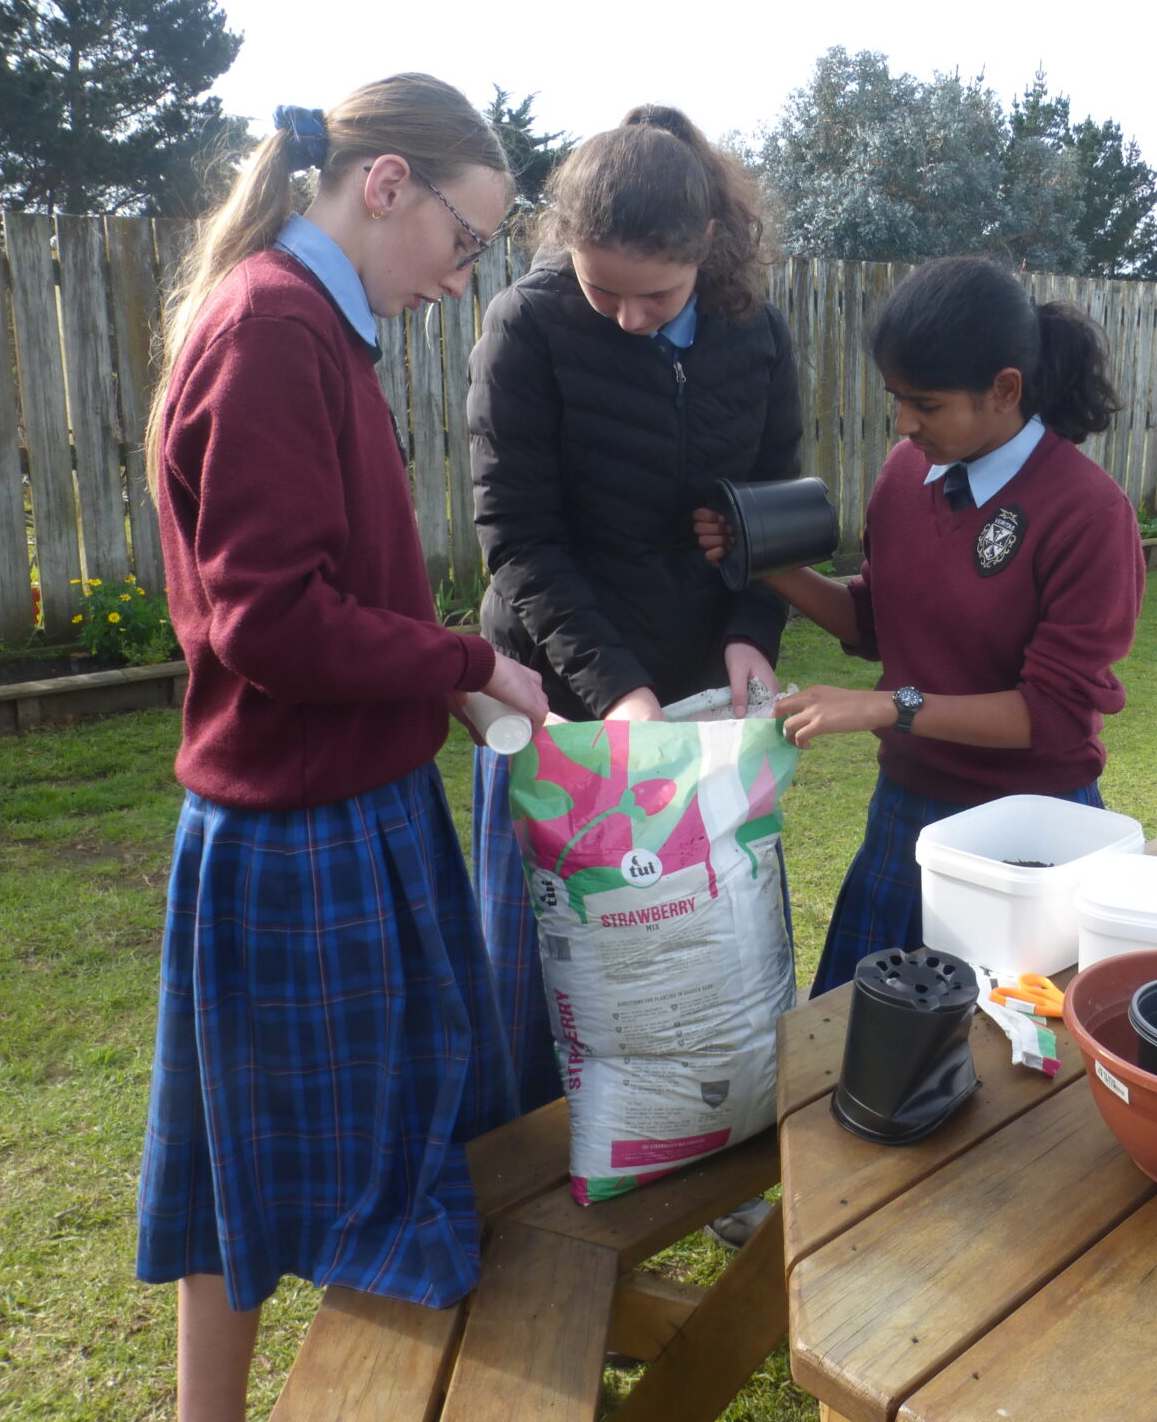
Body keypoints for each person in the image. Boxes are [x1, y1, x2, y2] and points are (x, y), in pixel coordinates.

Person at [138, 74, 548, 1422]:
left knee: (339, 1165)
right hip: (297, 835)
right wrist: (464, 661)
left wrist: (450, 683)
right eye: (466, 240)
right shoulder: (271, 328)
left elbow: (331, 594)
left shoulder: (313, 324)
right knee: (330, 1175)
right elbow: (272, 623)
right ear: (385, 185)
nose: (461, 278)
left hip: (347, 805)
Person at [465, 104, 799, 1120]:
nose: (625, 317)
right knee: (546, 973)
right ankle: (539, 1162)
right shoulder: (527, 327)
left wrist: (751, 631)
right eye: (599, 287)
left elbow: (773, 508)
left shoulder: (756, 332)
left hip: (697, 712)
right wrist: (616, 692)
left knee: (706, 953)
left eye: (654, 294)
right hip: (558, 708)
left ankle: (715, 1139)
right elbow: (518, 536)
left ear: (707, 244)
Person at [696, 255, 1145, 995]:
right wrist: (763, 562)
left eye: (926, 405)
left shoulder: (1089, 512)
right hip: (907, 810)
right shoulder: (907, 473)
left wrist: (886, 706)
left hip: (1028, 833)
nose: (904, 424)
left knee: (1007, 1052)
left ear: (1005, 390)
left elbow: (1054, 716)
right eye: (897, 399)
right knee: (847, 1042)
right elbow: (878, 621)